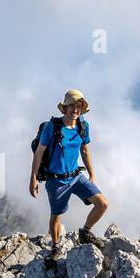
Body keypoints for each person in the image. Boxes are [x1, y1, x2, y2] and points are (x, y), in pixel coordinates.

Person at [29, 89, 110, 258]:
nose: (75, 109)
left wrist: (92, 174)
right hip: (56, 181)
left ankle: (85, 232)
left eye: (79, 106)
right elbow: (39, 152)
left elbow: (85, 150)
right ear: (64, 108)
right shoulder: (52, 127)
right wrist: (33, 178)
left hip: (76, 176)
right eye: (71, 106)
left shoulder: (83, 125)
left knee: (102, 203)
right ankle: (56, 247)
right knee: (56, 217)